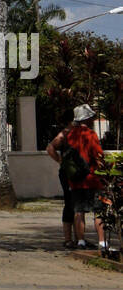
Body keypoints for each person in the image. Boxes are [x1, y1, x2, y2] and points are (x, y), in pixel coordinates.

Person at [47, 104, 107, 252]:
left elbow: (52, 148)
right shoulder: (90, 134)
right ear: (87, 119)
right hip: (91, 177)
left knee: (78, 211)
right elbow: (98, 155)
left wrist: (61, 162)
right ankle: (102, 242)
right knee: (98, 211)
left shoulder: (69, 134)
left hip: (74, 179)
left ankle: (80, 241)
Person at [46, 115, 75, 248]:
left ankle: (80, 238)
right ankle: (68, 238)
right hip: (67, 173)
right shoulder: (64, 134)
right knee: (70, 203)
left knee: (78, 206)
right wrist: (60, 160)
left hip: (79, 173)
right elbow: (50, 148)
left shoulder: (82, 133)